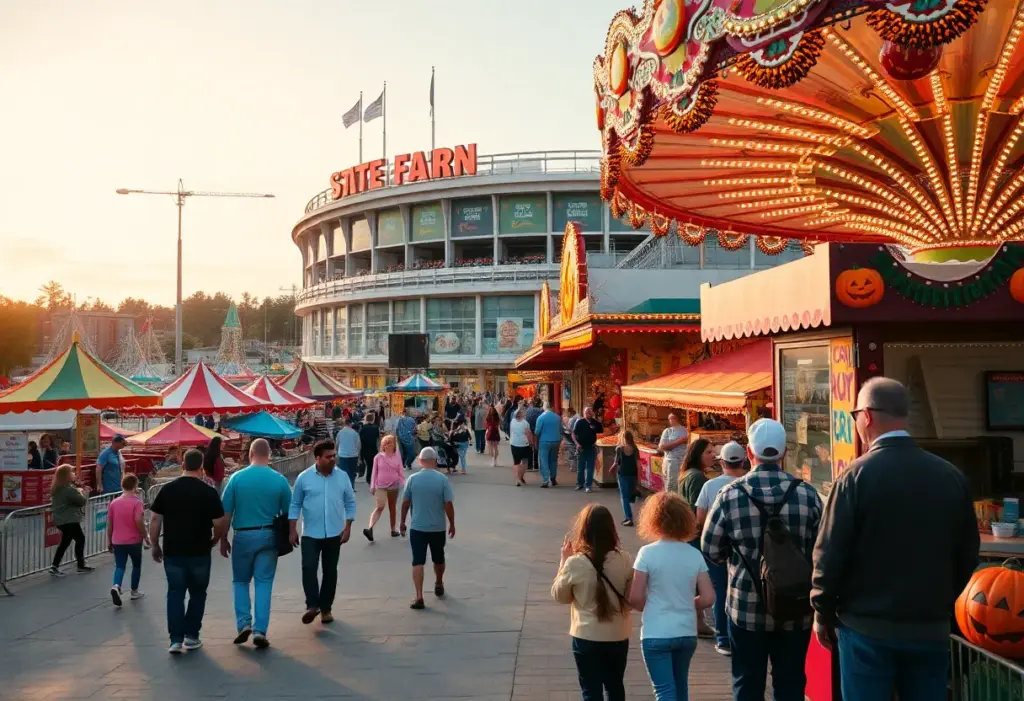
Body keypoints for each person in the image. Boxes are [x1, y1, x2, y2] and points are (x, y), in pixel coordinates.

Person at [811, 378, 980, 701]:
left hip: (865, 627)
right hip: (929, 626)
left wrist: (822, 611)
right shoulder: (949, 476)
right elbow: (967, 552)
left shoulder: (855, 477)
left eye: (854, 414)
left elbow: (830, 553)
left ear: (868, 416)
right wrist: (942, 600)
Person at [702, 419, 823, 701]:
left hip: (746, 609)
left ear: (749, 452)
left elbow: (711, 550)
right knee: (791, 682)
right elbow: (822, 551)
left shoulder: (729, 495)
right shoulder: (807, 495)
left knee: (747, 682)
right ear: (784, 454)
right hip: (796, 608)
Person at [628, 491, 715, 701]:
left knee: (665, 691)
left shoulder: (647, 553)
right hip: (686, 632)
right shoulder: (694, 554)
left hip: (656, 631)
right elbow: (709, 597)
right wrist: (690, 603)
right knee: (680, 686)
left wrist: (651, 606)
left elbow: (636, 598)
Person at [551, 504, 634, 701]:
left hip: (586, 635)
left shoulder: (576, 562)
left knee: (590, 690)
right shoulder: (624, 559)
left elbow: (559, 596)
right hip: (617, 634)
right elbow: (630, 598)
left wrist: (563, 561)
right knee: (615, 686)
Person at [149, 449, 227, 654]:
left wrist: (155, 543)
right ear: (201, 467)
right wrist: (216, 539)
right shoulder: (208, 492)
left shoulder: (167, 489)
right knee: (198, 593)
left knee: (175, 593)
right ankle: (192, 636)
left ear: (182, 465)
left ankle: (175, 639)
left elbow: (156, 519)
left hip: (173, 550)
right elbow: (219, 522)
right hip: (200, 550)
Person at [221, 438, 292, 649]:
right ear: (269, 455)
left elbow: (226, 513)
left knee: (241, 582)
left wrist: (223, 538)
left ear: (250, 454)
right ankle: (260, 630)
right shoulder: (279, 480)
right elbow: (290, 513)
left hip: (243, 536)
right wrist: (291, 533)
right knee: (264, 583)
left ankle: (244, 623)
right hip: (269, 536)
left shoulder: (236, 479)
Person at [289, 439, 356, 626]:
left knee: (330, 571)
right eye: (329, 457)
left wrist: (348, 525)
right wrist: (292, 528)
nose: (333, 459)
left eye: (334, 455)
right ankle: (312, 605)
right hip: (311, 532)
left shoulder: (342, 477)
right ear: (317, 458)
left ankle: (326, 608)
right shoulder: (304, 478)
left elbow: (350, 502)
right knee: (308, 568)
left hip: (335, 532)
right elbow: (295, 504)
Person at [694, 441, 748, 656]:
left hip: (715, 549)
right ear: (743, 460)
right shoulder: (748, 482)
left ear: (722, 462)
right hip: (743, 549)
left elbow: (700, 518)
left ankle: (723, 639)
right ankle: (741, 636)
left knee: (719, 591)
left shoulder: (710, 486)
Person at [400, 447, 455, 610]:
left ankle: (419, 596)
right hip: (437, 527)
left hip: (417, 527)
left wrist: (402, 522)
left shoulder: (412, 479)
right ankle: (438, 582)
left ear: (421, 461)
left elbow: (405, 503)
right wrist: (452, 523)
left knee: (417, 561)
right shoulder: (442, 479)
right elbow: (448, 504)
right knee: (439, 558)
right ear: (435, 461)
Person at [107, 473, 149, 606]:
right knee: (136, 565)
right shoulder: (137, 503)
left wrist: (109, 541)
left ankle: (116, 585)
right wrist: (145, 536)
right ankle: (134, 591)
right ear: (135, 486)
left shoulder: (114, 503)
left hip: (117, 540)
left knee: (120, 565)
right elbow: (139, 521)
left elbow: (110, 524)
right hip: (134, 540)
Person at [49, 464, 93, 575]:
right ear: (66, 475)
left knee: (65, 542)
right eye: (72, 472)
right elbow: (82, 501)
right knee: (80, 539)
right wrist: (84, 492)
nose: (74, 474)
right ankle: (81, 565)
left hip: (61, 520)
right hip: (69, 520)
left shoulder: (57, 488)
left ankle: (55, 565)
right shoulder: (68, 489)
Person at [365, 434, 406, 540]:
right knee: (380, 506)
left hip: (394, 485)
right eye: (386, 443)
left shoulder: (397, 457)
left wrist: (405, 485)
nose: (388, 445)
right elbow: (374, 472)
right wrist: (372, 486)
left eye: (391, 443)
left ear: (394, 445)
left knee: (392, 507)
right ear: (383, 445)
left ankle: (393, 529)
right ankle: (370, 529)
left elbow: (400, 471)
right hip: (380, 486)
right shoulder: (378, 457)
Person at [611, 431, 640, 526]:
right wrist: (639, 478)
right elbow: (638, 465)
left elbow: (616, 462)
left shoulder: (619, 449)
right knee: (630, 495)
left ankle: (628, 518)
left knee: (624, 497)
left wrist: (611, 469)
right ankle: (630, 515)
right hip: (633, 474)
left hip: (622, 473)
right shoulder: (635, 449)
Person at [678, 439, 713, 514]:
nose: (714, 455)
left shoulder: (688, 472)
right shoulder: (698, 477)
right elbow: (697, 510)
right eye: (709, 452)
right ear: (698, 455)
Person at [572, 407, 603, 493]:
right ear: (583, 413)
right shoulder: (580, 422)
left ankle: (588, 485)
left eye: (590, 412)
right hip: (581, 447)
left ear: (592, 413)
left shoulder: (595, 422)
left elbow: (601, 432)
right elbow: (573, 434)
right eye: (586, 412)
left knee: (590, 467)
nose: (588, 413)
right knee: (580, 467)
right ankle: (579, 484)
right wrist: (577, 444)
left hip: (591, 447)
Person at [534, 401, 563, 488]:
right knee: (553, 460)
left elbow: (537, 432)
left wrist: (535, 442)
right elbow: (561, 430)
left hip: (544, 441)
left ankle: (546, 480)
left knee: (544, 461)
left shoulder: (541, 418)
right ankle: (553, 478)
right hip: (556, 441)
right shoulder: (557, 417)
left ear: (544, 407)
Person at [657, 413, 688, 493]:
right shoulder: (668, 431)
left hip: (679, 461)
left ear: (675, 418)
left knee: (676, 485)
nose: (669, 421)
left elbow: (662, 446)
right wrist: (679, 441)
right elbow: (662, 446)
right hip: (670, 461)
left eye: (670, 418)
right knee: (670, 484)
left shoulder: (686, 430)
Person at [509, 407, 534, 487]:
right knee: (525, 462)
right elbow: (528, 434)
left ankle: (517, 479)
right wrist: (531, 443)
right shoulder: (525, 423)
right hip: (524, 444)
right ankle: (521, 476)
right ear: (521, 415)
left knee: (516, 462)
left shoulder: (512, 421)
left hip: (514, 444)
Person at [334, 418, 362, 489]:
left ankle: (344, 487)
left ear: (344, 424)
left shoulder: (340, 433)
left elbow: (337, 444)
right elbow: (358, 445)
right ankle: (351, 487)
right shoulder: (355, 433)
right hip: (353, 455)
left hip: (342, 456)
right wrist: (359, 456)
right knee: (352, 473)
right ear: (351, 424)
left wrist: (336, 453)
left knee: (343, 473)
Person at [359, 412, 380, 485]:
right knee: (373, 464)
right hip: (374, 449)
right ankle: (371, 478)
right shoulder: (376, 427)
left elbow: (360, 440)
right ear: (373, 419)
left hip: (365, 449)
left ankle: (369, 479)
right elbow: (378, 439)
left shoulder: (363, 428)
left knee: (368, 464)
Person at [525, 398, 544, 472]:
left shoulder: (528, 410)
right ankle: (536, 464)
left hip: (529, 430)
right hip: (537, 431)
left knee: (529, 447)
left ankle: (529, 465)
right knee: (536, 447)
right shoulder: (541, 411)